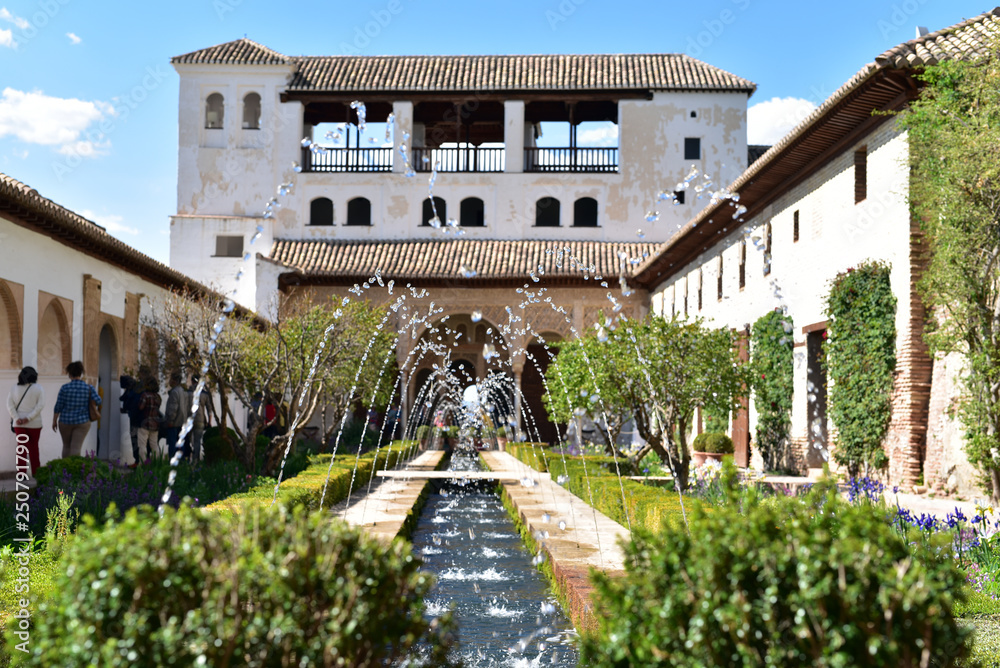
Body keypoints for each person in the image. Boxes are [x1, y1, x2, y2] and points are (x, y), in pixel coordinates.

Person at [52, 360, 101, 458]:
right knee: (76, 448)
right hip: (82, 422)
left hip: (65, 422)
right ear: (81, 373)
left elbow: (58, 406)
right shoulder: (89, 388)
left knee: (66, 446)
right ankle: (73, 471)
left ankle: (65, 469)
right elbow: (98, 401)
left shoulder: (64, 388)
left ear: (69, 374)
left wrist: (54, 421)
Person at [7, 366, 44, 476]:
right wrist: (28, 418)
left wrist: (17, 418)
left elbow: (9, 405)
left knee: (21, 448)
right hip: (35, 424)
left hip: (19, 424)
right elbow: (40, 405)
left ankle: (21, 474)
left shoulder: (14, 388)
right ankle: (36, 474)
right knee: (34, 449)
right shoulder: (39, 388)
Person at [163, 371, 190, 460]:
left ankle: (174, 463)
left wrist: (170, 420)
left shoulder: (174, 392)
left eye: (171, 379)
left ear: (174, 380)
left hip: (174, 423)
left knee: (173, 443)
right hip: (182, 422)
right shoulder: (183, 391)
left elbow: (173, 408)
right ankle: (181, 463)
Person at [136, 377, 162, 462]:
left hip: (144, 423)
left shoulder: (145, 395)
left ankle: (143, 463)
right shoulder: (158, 397)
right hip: (155, 424)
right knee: (154, 445)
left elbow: (140, 407)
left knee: (142, 445)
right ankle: (157, 462)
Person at [119, 375, 143, 464]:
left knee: (136, 440)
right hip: (134, 418)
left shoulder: (135, 392)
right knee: (134, 439)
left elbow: (131, 403)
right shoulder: (132, 390)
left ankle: (137, 460)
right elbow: (123, 398)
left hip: (136, 419)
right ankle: (136, 460)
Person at [189, 375, 211, 463]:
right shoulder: (204, 394)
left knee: (187, 440)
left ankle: (187, 458)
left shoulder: (188, 392)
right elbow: (209, 410)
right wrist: (209, 421)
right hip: (200, 419)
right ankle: (195, 460)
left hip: (189, 419)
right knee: (197, 441)